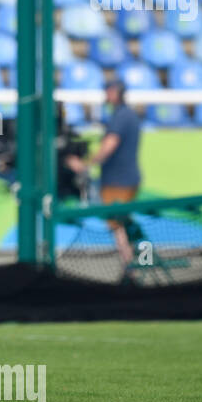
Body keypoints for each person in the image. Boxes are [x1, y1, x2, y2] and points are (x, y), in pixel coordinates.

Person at [70, 79, 142, 269]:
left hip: (118, 181)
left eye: (109, 90)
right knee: (122, 223)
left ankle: (131, 269)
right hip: (125, 178)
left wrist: (85, 164)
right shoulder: (128, 115)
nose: (106, 94)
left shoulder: (121, 116)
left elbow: (109, 145)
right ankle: (136, 264)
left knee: (118, 227)